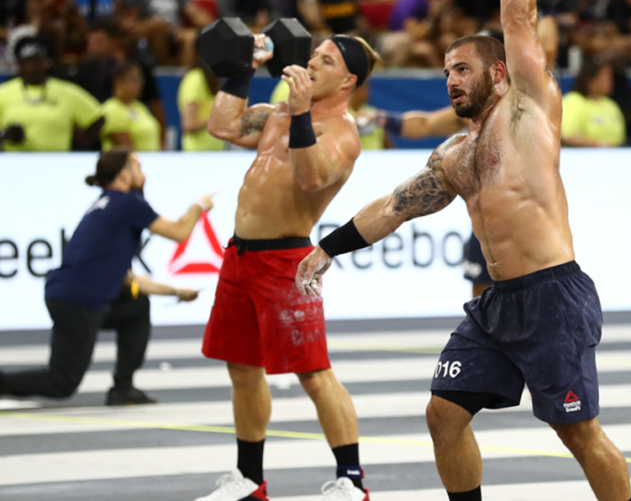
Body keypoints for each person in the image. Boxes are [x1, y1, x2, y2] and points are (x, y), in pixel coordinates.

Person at [296, 0, 631, 501]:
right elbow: (396, 206)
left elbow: (518, 17)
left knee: (578, 432)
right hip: (497, 305)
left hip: (552, 298)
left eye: (462, 69)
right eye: (446, 72)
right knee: (444, 413)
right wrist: (327, 248)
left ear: (499, 72)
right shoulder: (455, 153)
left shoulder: (528, 110)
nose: (451, 80)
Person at [197, 30, 383, 501]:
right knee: (242, 369)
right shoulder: (278, 114)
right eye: (315, 55)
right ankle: (249, 479)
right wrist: (244, 70)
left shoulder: (343, 133)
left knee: (314, 374)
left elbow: (311, 176)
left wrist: (300, 112)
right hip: (240, 256)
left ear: (348, 81)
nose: (313, 63)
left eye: (326, 61)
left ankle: (351, 481)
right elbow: (222, 126)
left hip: (286, 262)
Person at [0, 149, 214, 405]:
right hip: (79, 302)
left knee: (136, 306)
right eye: (138, 167)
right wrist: (199, 206)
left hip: (69, 295)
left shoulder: (106, 204)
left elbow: (126, 278)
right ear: (124, 175)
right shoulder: (128, 203)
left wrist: (176, 292)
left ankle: (122, 388)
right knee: (61, 382)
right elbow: (179, 232)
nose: (144, 174)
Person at [0, 36, 104, 152]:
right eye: (28, 62)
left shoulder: (66, 91)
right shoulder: (4, 92)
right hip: (14, 158)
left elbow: (98, 117)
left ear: (47, 63)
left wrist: (80, 146)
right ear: (20, 65)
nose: (33, 66)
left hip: (57, 158)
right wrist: (5, 134)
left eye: (38, 61)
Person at [561, 57, 626, 148]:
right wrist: (600, 145)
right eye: (605, 76)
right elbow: (567, 137)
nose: (610, 81)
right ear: (590, 80)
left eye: (611, 77)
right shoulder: (573, 101)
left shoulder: (611, 105)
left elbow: (620, 140)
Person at [100, 60, 162, 151]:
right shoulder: (110, 109)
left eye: (140, 79)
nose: (140, 84)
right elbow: (127, 149)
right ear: (118, 82)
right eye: (134, 80)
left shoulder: (140, 106)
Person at [177, 60, 226, 151]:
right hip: (197, 154)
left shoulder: (213, 80)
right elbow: (189, 124)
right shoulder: (195, 80)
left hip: (216, 152)